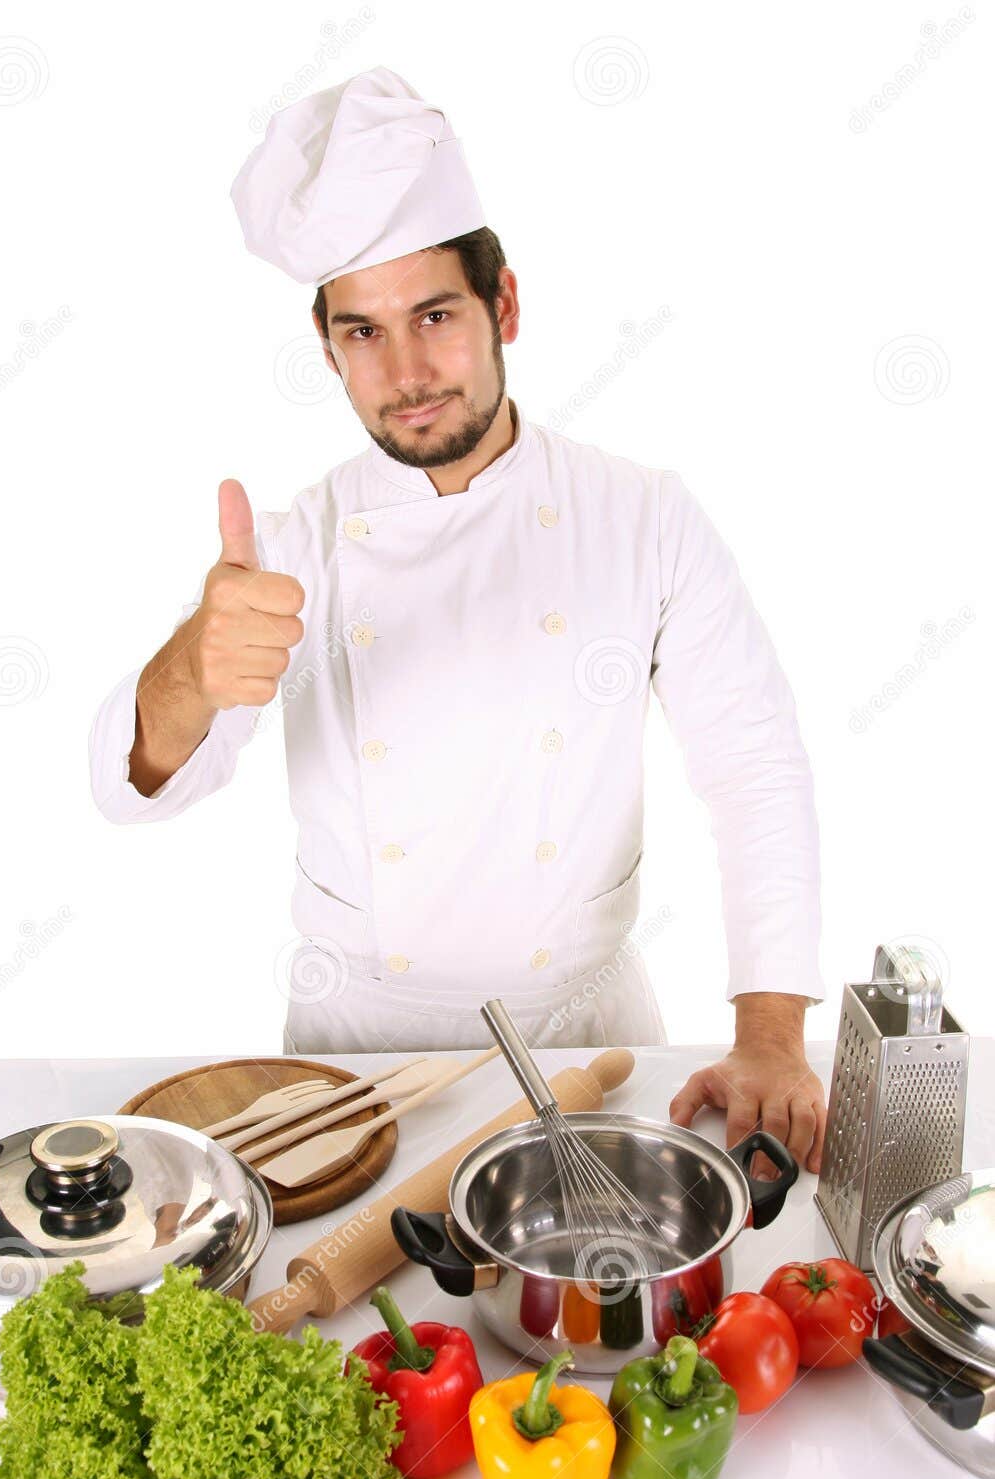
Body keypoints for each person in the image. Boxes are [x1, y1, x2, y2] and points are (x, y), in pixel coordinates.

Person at [88, 67, 827, 1174]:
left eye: (433, 316)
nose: (405, 373)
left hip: (591, 1042)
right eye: (362, 334)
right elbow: (127, 792)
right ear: (328, 346)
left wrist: (770, 1034)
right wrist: (193, 668)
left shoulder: (641, 516)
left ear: (505, 307)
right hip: (355, 1065)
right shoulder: (292, 546)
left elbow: (752, 764)